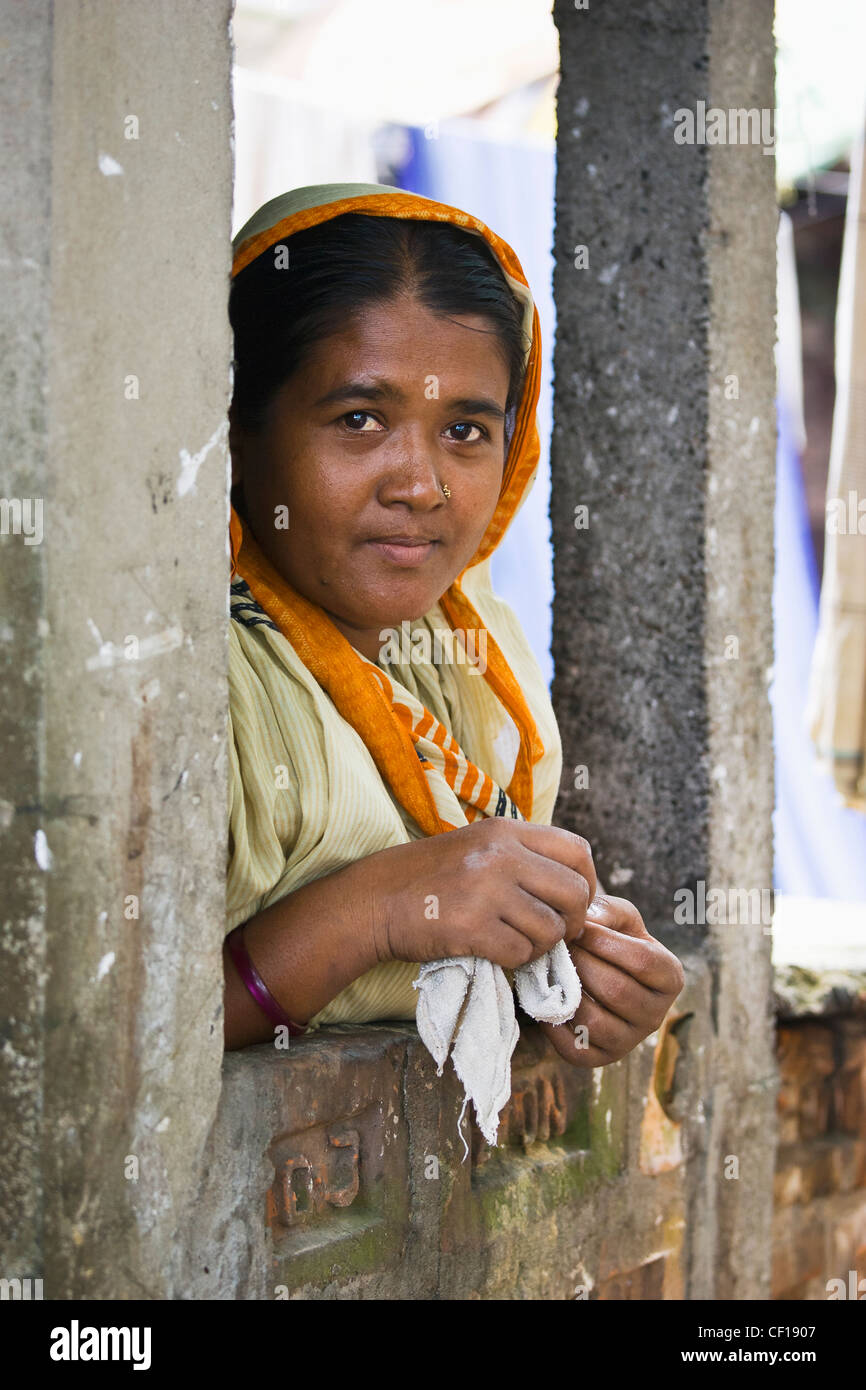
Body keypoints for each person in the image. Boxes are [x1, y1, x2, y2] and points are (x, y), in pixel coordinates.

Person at [223, 182, 684, 1069]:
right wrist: (374, 910)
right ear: (238, 425)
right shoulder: (183, 673)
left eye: (467, 430)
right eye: (360, 419)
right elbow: (98, 1043)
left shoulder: (478, 656)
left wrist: (572, 977)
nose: (421, 485)